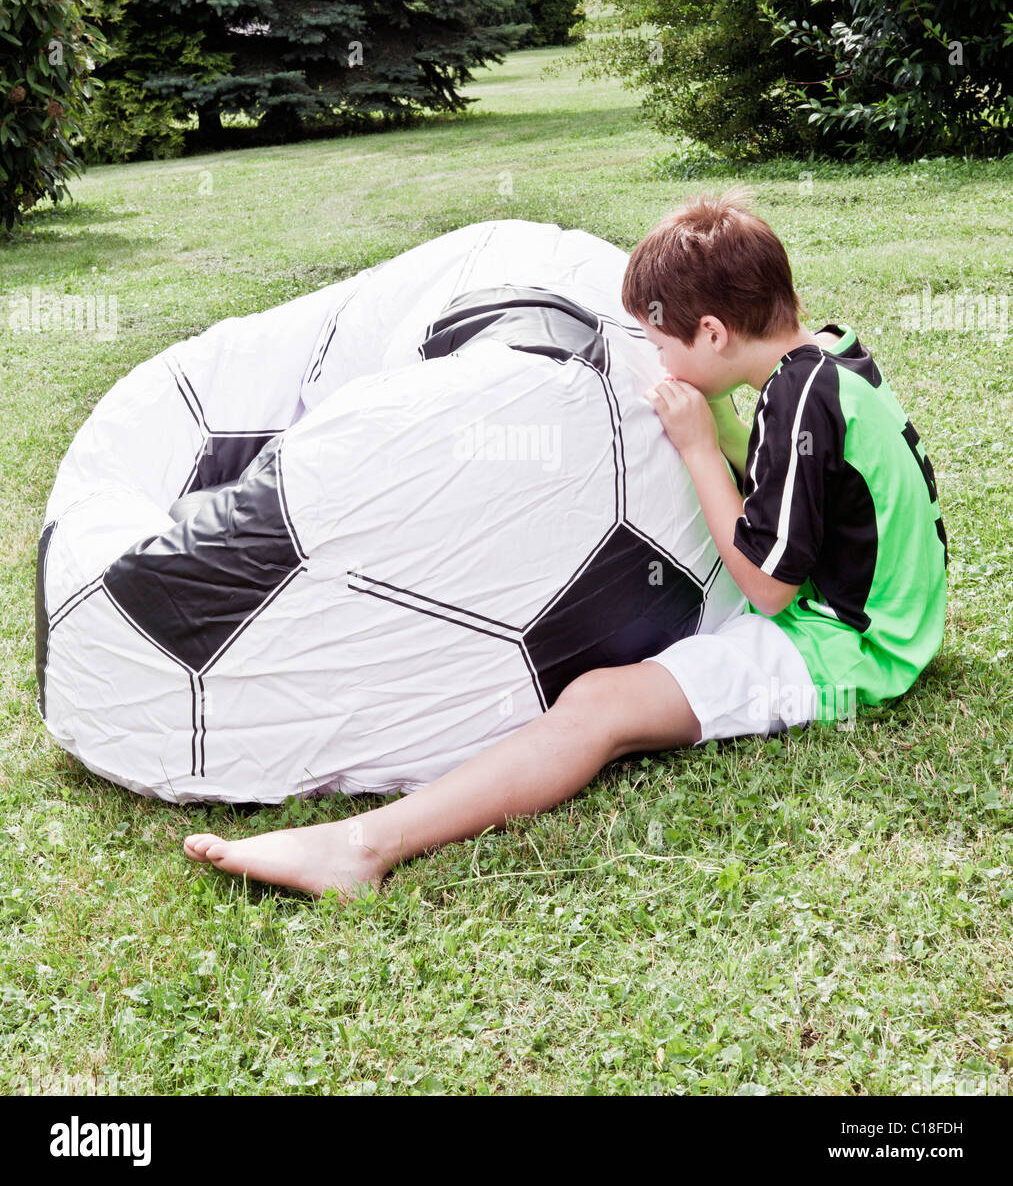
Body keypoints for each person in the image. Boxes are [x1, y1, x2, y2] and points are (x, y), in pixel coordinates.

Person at [184, 187, 948, 898]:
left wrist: (694, 447)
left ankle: (360, 849)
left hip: (848, 650)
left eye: (662, 343)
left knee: (599, 706)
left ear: (712, 332)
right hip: (893, 618)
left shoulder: (797, 402)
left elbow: (767, 586)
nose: (658, 362)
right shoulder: (829, 356)